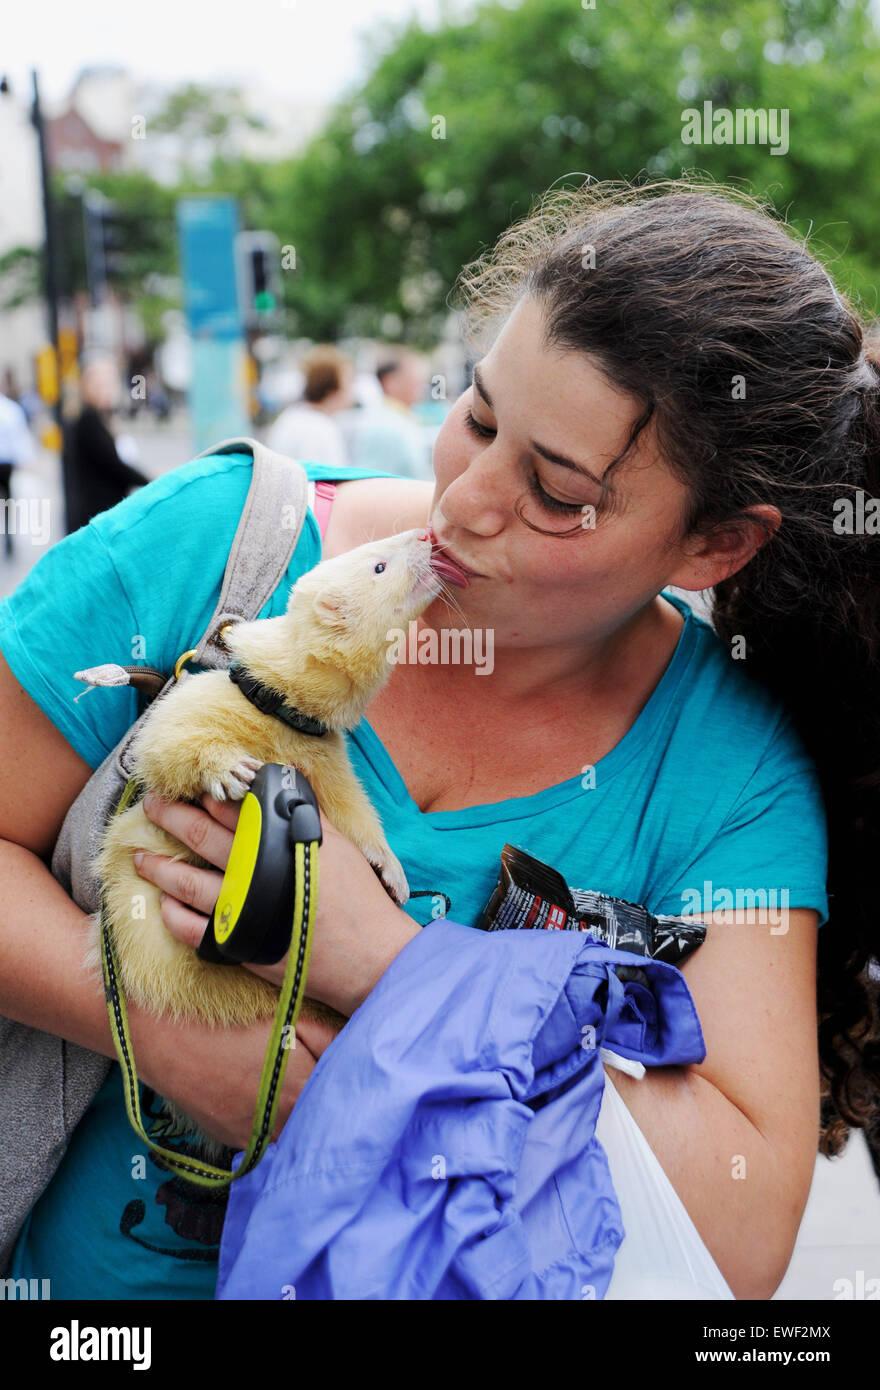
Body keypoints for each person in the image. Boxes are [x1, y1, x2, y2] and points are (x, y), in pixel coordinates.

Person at [0, 177, 876, 1301]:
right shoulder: (219, 550)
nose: (461, 504)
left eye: (556, 493)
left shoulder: (730, 770)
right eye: (476, 415)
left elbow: (736, 1237)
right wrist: (153, 1024)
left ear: (712, 545)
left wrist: (388, 966)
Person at [62, 356, 150, 535]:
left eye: (110, 383)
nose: (108, 389)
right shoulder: (89, 419)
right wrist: (151, 480)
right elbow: (113, 464)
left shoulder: (96, 417)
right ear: (88, 386)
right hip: (96, 515)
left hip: (99, 513)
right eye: (102, 384)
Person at [344, 348, 433, 480]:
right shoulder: (384, 426)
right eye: (414, 378)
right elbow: (371, 483)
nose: (421, 385)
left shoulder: (396, 420)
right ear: (390, 382)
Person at [265, 345, 354, 468]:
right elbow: (328, 481)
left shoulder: (293, 417)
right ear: (332, 387)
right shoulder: (319, 428)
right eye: (349, 381)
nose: (352, 389)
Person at [0, 386, 34, 559]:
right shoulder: (10, 409)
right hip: (6, 464)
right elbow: (18, 436)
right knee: (6, 501)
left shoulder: (10, 409)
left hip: (5, 462)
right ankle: (8, 537)